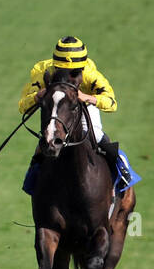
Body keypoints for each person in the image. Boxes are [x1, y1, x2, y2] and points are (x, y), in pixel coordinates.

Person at [17, 37, 128, 196]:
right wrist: (37, 96)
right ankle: (33, 181)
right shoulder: (42, 73)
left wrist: (87, 97)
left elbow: (112, 103)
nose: (67, 76)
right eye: (61, 71)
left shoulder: (90, 75)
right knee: (45, 141)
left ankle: (122, 170)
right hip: (59, 110)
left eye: (73, 73)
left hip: (85, 108)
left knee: (96, 135)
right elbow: (22, 106)